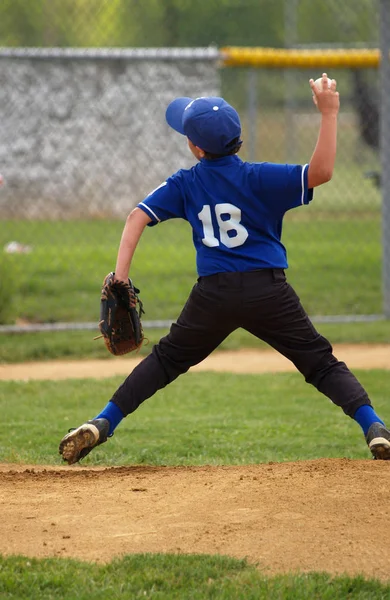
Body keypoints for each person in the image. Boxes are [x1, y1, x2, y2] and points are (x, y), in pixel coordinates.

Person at [59, 73, 390, 464]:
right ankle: (374, 427)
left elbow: (136, 218)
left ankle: (103, 422)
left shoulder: (186, 183)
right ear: (238, 138)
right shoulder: (260, 176)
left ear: (196, 148)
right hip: (269, 291)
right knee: (319, 363)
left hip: (213, 295)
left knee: (165, 361)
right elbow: (320, 173)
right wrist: (330, 114)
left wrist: (120, 278)